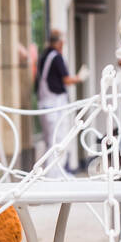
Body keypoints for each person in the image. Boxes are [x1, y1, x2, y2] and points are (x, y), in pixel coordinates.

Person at [36, 30, 83, 177]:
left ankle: (50, 172)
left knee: (50, 139)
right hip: (55, 105)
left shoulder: (43, 57)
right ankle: (55, 173)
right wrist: (79, 78)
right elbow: (66, 79)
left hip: (45, 103)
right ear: (60, 42)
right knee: (58, 138)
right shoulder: (56, 57)